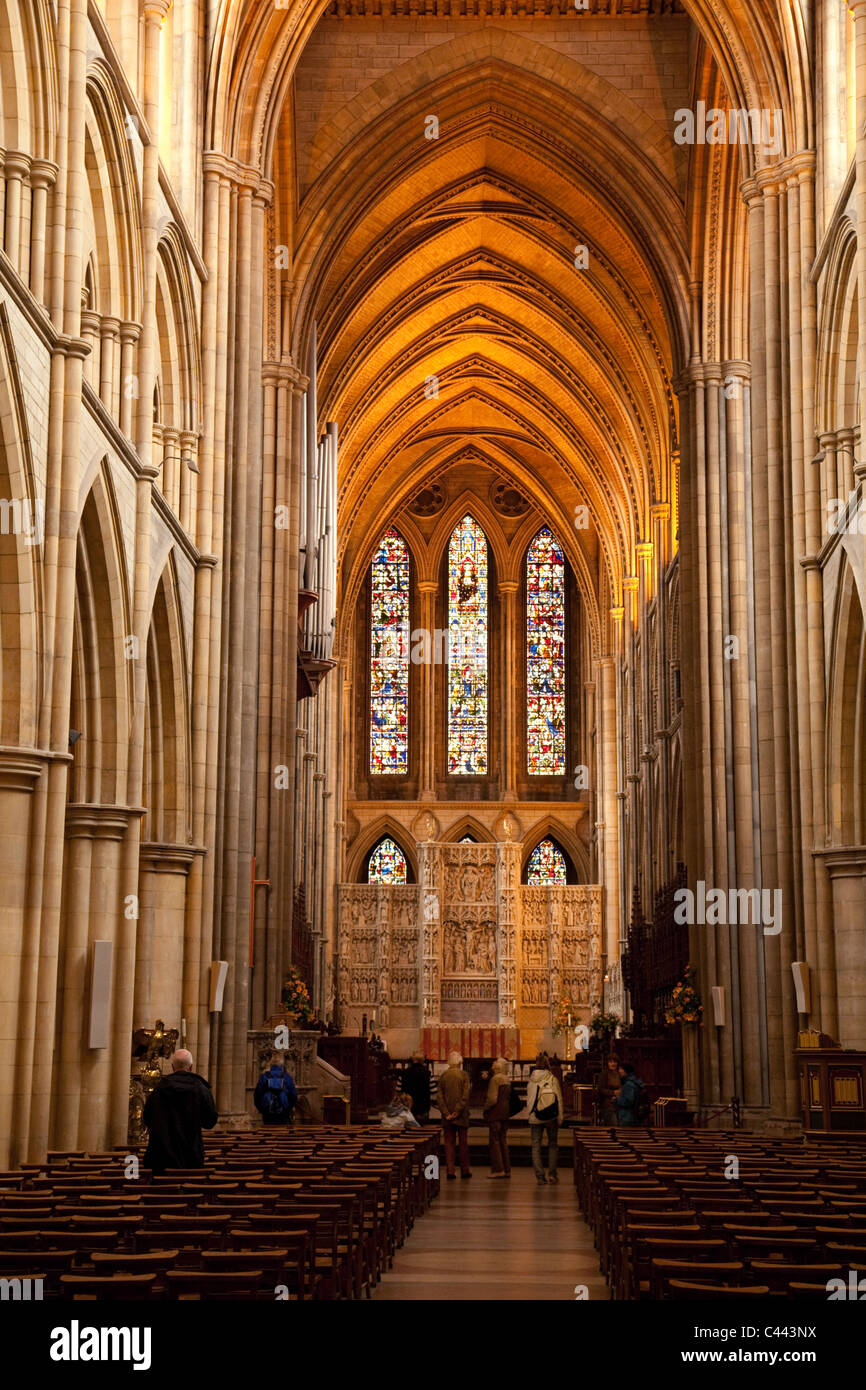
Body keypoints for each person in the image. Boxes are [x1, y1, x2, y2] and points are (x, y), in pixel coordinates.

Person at [142, 1048, 218, 1175]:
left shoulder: (159, 1089)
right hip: (191, 1156)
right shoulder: (201, 1089)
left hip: (162, 1157)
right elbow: (210, 1122)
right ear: (191, 1067)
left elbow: (147, 1118)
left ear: (172, 1067)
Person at [526, 1050, 564, 1185]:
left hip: (535, 1115)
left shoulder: (531, 1080)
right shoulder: (552, 1079)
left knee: (536, 1146)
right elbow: (558, 1098)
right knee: (552, 1144)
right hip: (550, 1116)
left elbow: (529, 1100)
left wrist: (530, 1114)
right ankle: (552, 1174)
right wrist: (560, 1116)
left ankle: (540, 1176)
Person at [437, 1051, 471, 1179]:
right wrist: (457, 1111)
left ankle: (450, 1171)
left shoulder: (443, 1076)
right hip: (461, 1115)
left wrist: (446, 1113)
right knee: (463, 1143)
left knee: (449, 1143)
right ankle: (465, 1170)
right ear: (460, 1062)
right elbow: (465, 1095)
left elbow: (439, 1097)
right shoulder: (464, 1075)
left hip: (447, 1116)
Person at [483, 1057, 512, 1179]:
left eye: (495, 1062)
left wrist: (485, 1108)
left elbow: (492, 1099)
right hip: (505, 1112)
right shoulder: (506, 1079)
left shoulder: (495, 1079)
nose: (493, 1063)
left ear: (498, 1066)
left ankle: (498, 1169)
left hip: (495, 1113)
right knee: (503, 1141)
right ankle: (506, 1169)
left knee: (494, 1142)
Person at [253, 1053, 298, 1126]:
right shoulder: (286, 1077)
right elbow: (293, 1095)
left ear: (270, 1065)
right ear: (282, 1065)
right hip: (283, 1111)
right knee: (282, 1132)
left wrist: (262, 1109)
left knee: (268, 1131)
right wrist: (288, 1108)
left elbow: (257, 1095)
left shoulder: (264, 1077)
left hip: (267, 1111)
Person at [403, 1051, 431, 1123]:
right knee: (423, 1129)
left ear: (413, 1060)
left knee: (409, 1128)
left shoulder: (405, 1072)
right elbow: (433, 1090)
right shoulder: (428, 1073)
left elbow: (398, 1089)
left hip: (408, 1106)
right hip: (423, 1105)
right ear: (423, 1060)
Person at [615, 1062, 645, 1127]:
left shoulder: (628, 1084)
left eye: (620, 1069)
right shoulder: (634, 1081)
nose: (619, 1071)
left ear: (625, 1071)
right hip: (633, 1115)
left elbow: (627, 1101)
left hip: (627, 1116)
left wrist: (617, 1098)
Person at [595, 1053, 621, 1125]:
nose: (613, 1064)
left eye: (615, 1062)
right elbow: (600, 1089)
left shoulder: (619, 1074)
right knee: (614, 1123)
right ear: (607, 1063)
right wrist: (613, 1093)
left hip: (619, 1102)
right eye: (610, 1062)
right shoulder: (604, 1074)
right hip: (607, 1103)